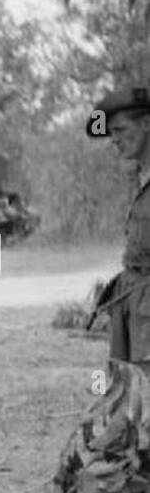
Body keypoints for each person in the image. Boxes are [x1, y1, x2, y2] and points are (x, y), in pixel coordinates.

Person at [87, 85, 150, 370]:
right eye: (111, 132)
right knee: (126, 397)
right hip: (133, 308)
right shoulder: (137, 177)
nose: (115, 139)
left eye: (122, 130)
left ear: (147, 124)